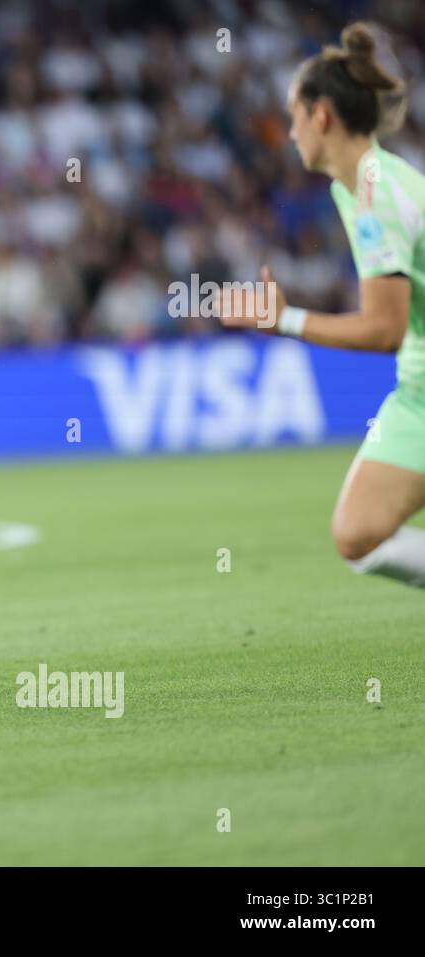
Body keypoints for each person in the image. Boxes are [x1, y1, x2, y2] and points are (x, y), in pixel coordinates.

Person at [221, 23, 425, 589]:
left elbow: (384, 328)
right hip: (417, 394)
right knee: (359, 533)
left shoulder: (376, 193)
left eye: (294, 117)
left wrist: (285, 320)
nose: (290, 133)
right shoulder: (355, 186)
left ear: (322, 115)